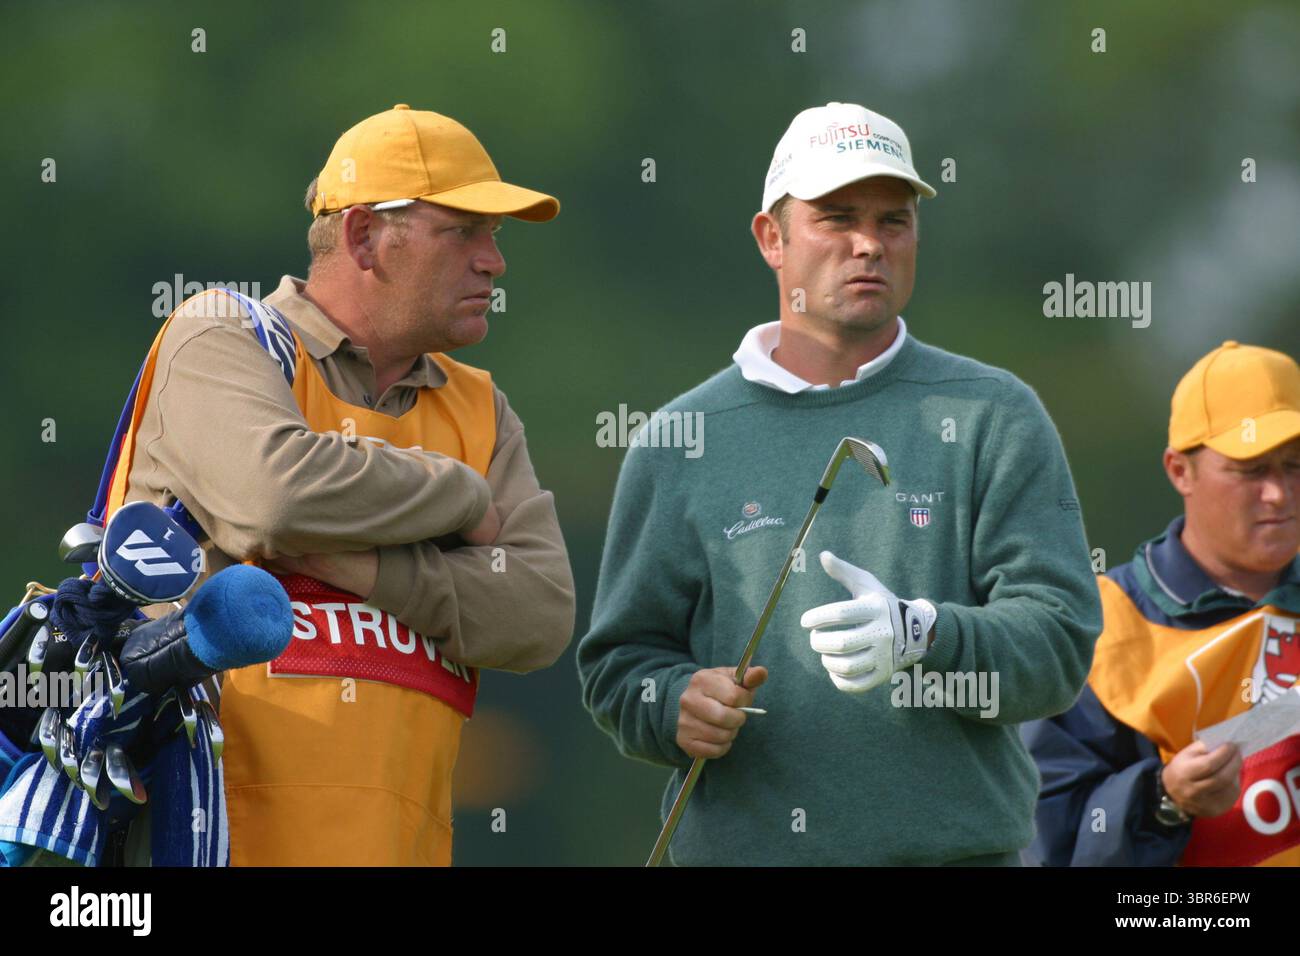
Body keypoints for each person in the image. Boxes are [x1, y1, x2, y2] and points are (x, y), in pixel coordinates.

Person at [577, 102, 1102, 865]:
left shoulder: (994, 413)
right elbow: (621, 668)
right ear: (772, 238)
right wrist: (675, 706)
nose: (869, 245)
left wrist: (927, 635)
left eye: (894, 221)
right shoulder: (678, 439)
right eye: (836, 217)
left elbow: (1056, 650)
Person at [105, 104, 575, 865]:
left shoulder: (483, 406)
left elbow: (539, 610)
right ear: (362, 236)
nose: (494, 260)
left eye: (495, 236)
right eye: (462, 230)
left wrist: (365, 566)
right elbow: (275, 499)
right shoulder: (220, 333)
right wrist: (459, 495)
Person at [1024, 342, 1300, 866]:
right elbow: (1051, 845)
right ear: (1179, 471)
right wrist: (1164, 800)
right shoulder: (1099, 630)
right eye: (1251, 469)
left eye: (1294, 465)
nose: (1279, 494)